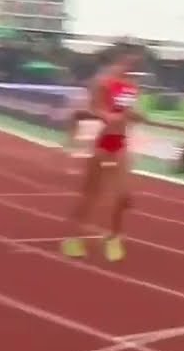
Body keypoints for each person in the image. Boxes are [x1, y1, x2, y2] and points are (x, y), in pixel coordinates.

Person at [60, 46, 145, 262]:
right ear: (118, 60)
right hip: (102, 142)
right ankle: (73, 237)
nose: (133, 66)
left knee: (123, 195)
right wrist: (105, 115)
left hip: (120, 142)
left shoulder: (129, 86)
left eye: (134, 63)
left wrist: (137, 116)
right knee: (91, 195)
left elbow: (124, 111)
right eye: (129, 61)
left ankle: (114, 237)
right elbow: (92, 109)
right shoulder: (102, 82)